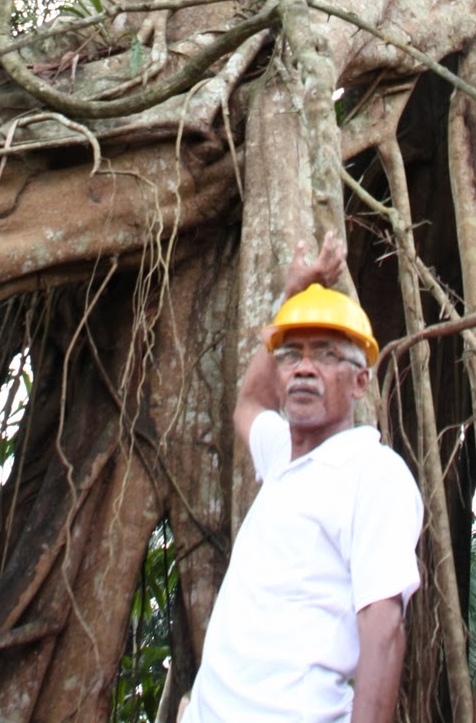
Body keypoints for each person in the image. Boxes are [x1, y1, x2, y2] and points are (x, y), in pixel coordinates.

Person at [180, 231, 423, 723]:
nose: (304, 369)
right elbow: (249, 403)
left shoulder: (372, 473)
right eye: (293, 355)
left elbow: (384, 627)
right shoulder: (281, 459)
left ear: (360, 381)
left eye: (327, 355)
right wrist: (292, 295)